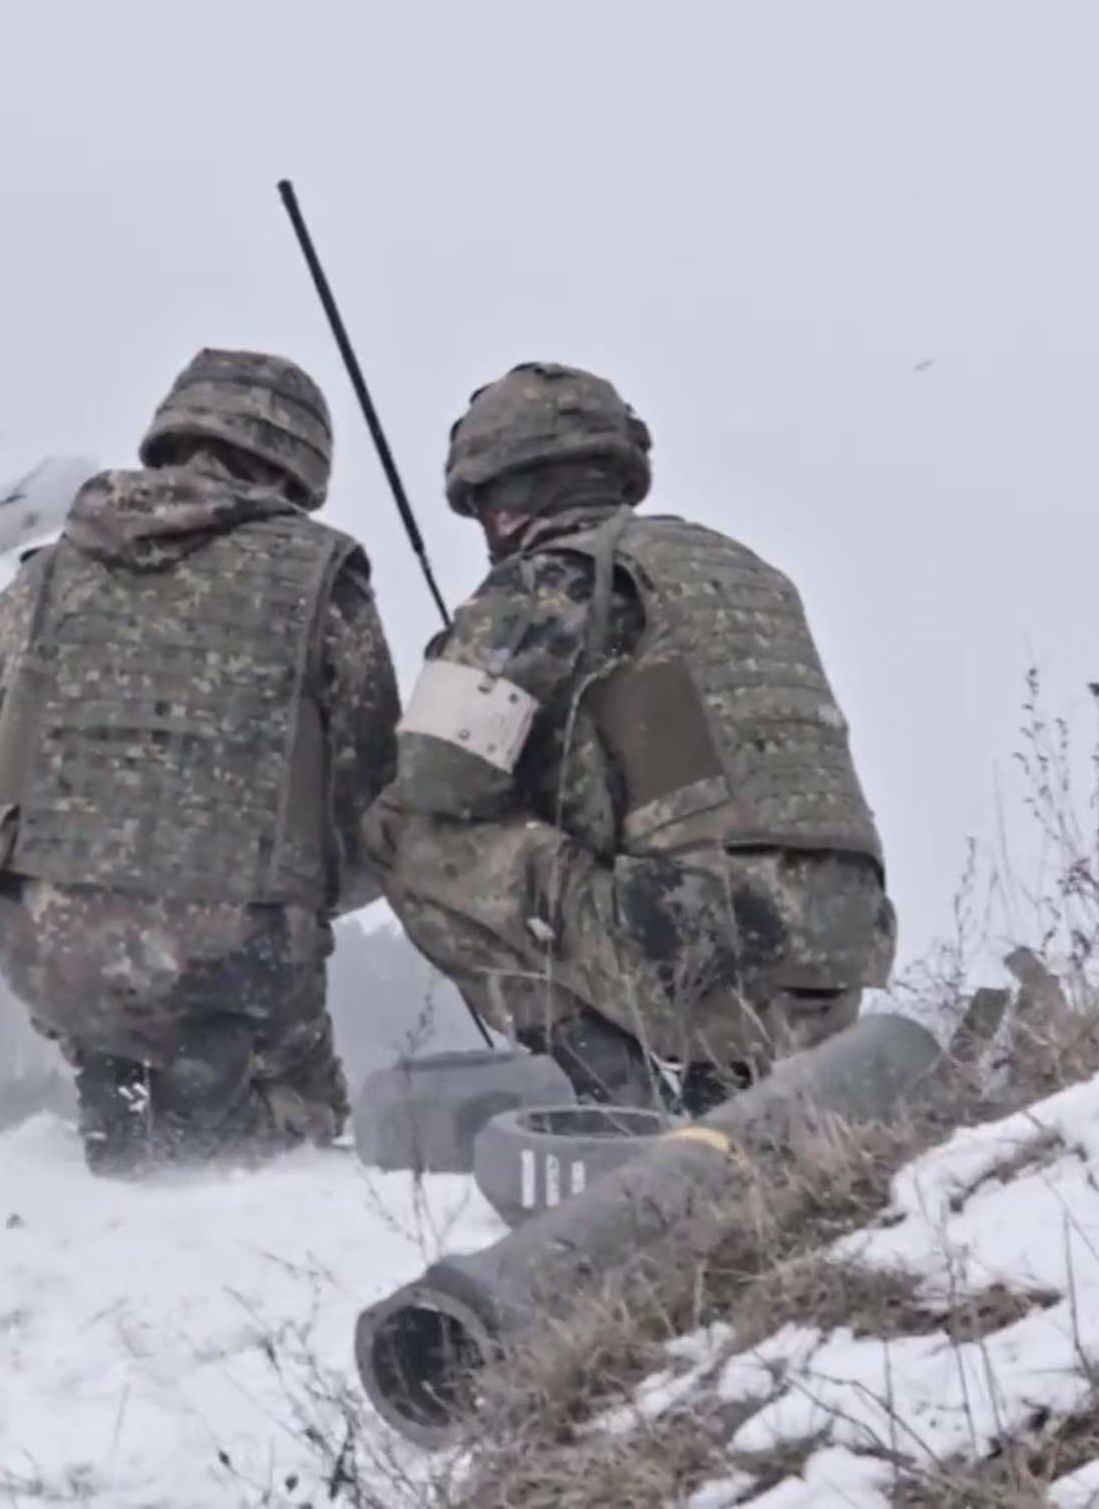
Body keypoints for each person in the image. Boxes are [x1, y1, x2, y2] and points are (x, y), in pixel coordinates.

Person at [362, 362, 896, 1114]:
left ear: (505, 498)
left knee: (401, 829)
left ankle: (618, 1093)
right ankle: (730, 1087)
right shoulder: (748, 574)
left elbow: (433, 778)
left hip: (690, 961)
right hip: (837, 966)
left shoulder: (551, 581)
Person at [0, 349, 400, 1174]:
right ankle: (222, 1091)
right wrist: (311, 899)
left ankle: (116, 1063)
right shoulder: (321, 579)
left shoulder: (49, 573)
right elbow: (373, 793)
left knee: (111, 1006)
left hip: (45, 942)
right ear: (299, 462)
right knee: (296, 1141)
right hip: (237, 954)